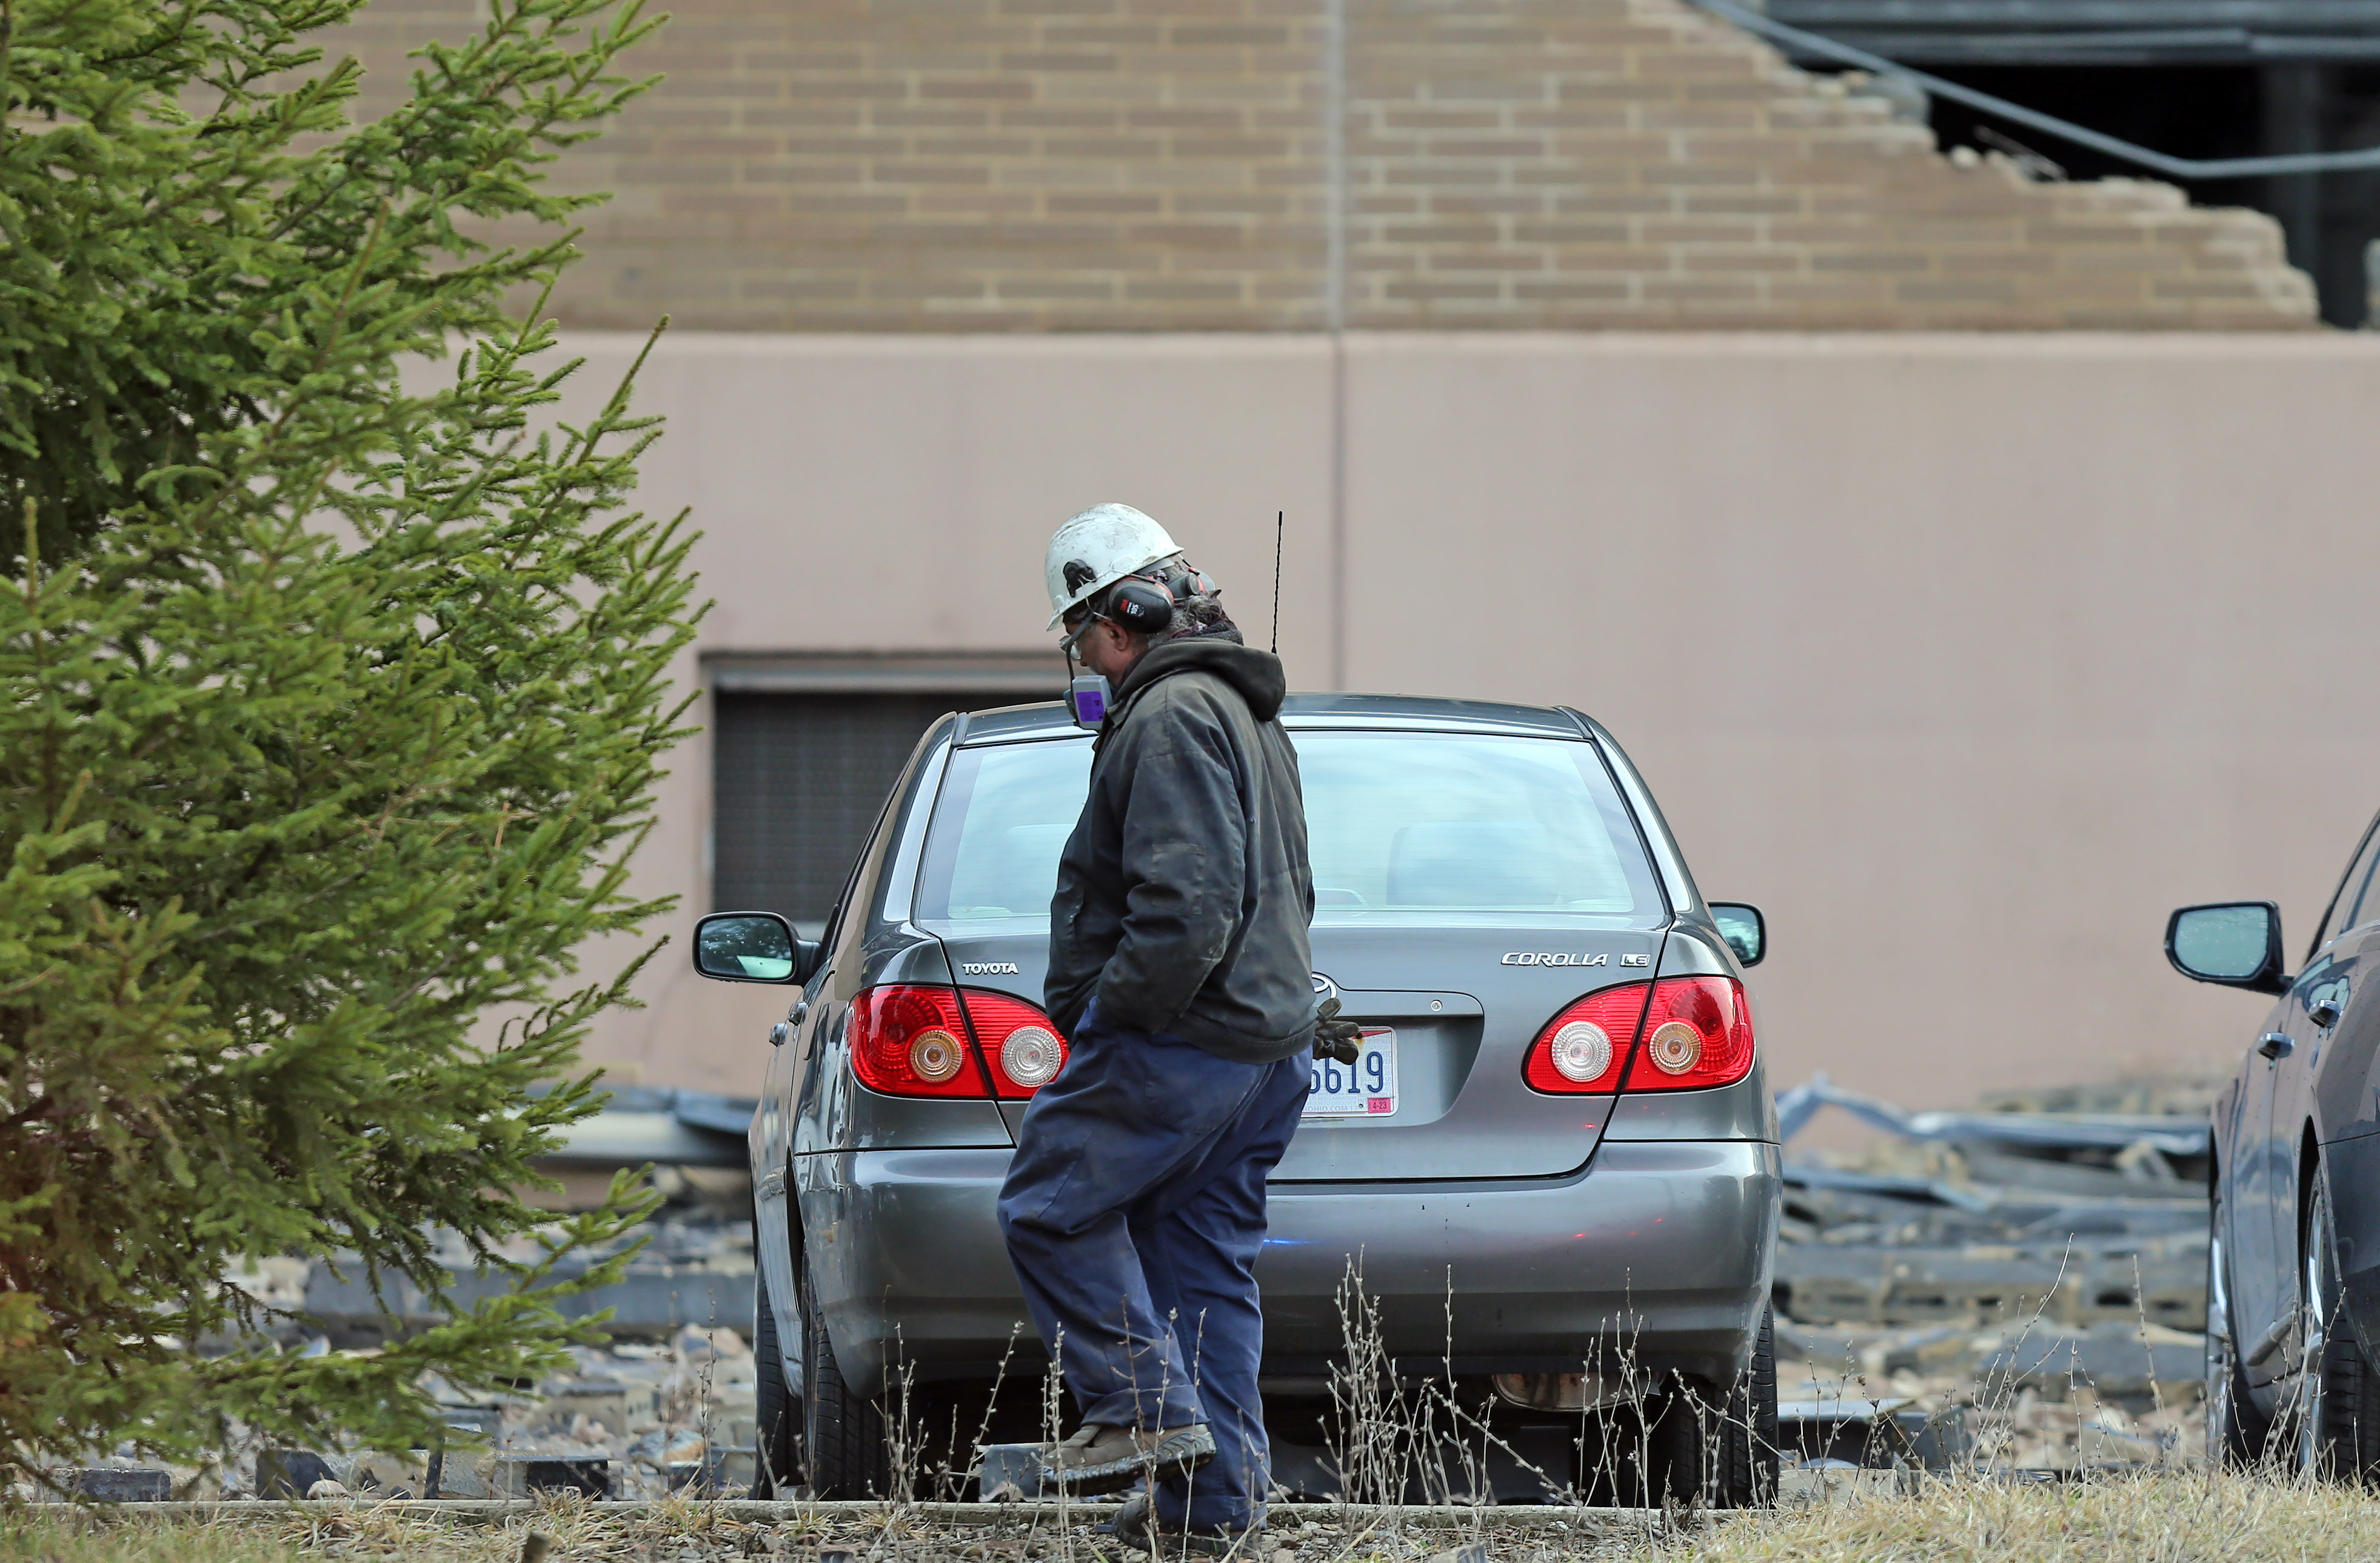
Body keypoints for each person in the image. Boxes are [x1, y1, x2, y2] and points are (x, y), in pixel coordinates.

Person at [995, 502, 1330, 1551]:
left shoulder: (1174, 714)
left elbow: (1186, 910)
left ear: (1121, 615)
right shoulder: (1241, 713)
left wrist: (1109, 1021)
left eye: (1079, 631)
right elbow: (1286, 894)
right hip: (1255, 1053)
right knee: (1196, 1269)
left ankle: (1137, 1411)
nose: (1079, 657)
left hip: (1180, 1043)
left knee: (1048, 1208)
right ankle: (1209, 1514)